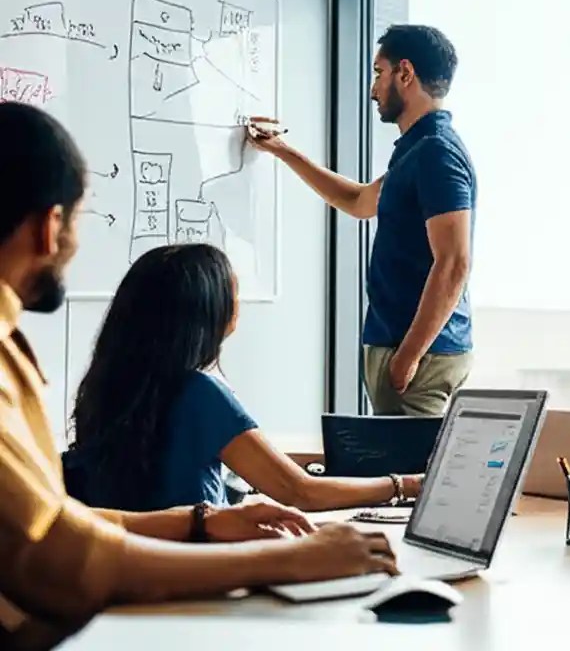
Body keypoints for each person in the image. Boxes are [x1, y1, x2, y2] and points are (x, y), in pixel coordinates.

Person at [0, 102, 396, 649]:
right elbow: (58, 560)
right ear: (49, 227)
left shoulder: (97, 381)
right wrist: (288, 558)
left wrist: (201, 522)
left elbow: (59, 523)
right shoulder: (196, 389)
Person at [65, 243, 425, 512]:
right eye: (233, 292)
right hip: (201, 561)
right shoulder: (197, 392)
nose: (239, 303)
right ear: (205, 311)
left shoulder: (110, 387)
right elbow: (299, 491)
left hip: (148, 561)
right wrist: (406, 485)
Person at [248, 24, 475, 417]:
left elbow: (454, 262)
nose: (373, 89)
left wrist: (407, 358)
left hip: (420, 358)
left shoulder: (436, 153)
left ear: (405, 73)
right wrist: (282, 150)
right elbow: (358, 200)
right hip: (407, 352)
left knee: (410, 460)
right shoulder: (416, 150)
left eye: (378, 73)